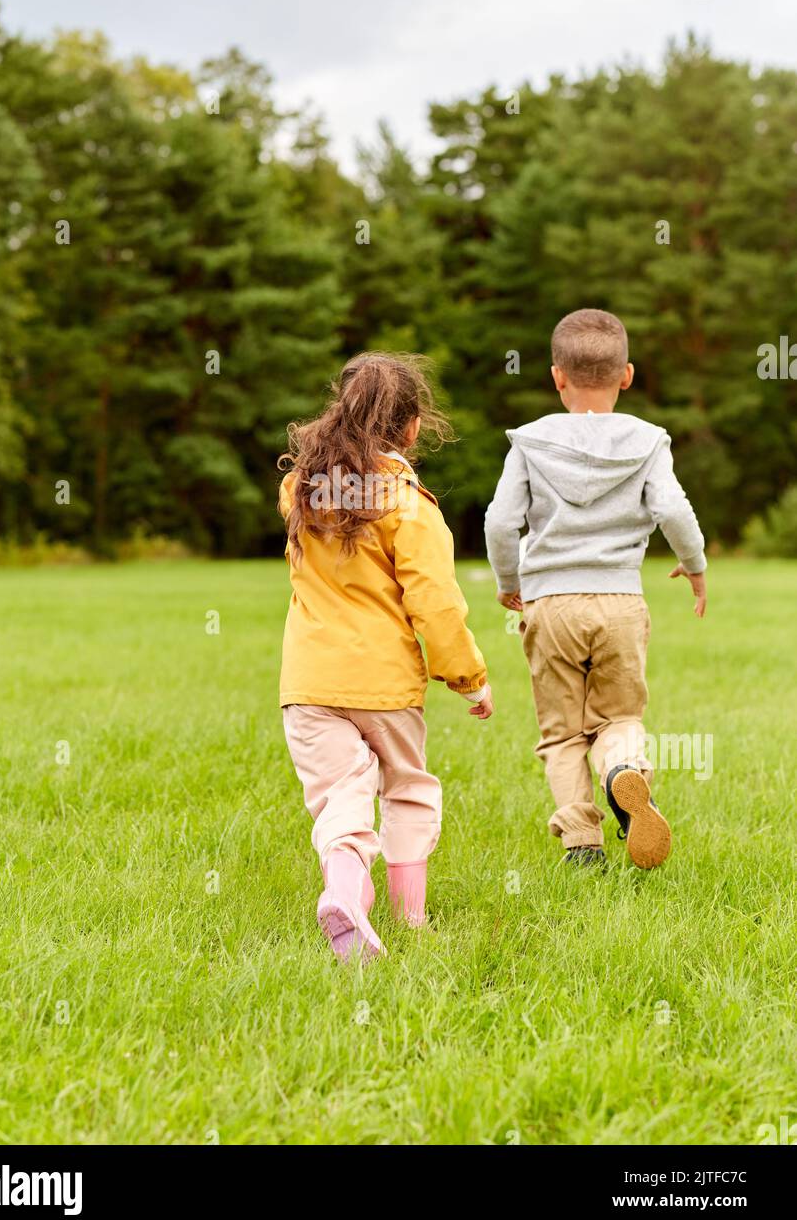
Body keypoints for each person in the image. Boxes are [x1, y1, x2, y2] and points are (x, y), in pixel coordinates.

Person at [279, 352, 492, 959]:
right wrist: (469, 678)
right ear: (414, 426)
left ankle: (345, 889)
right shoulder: (410, 507)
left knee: (343, 797)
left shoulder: (301, 491)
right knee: (407, 789)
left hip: (309, 687)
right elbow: (438, 606)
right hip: (386, 688)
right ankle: (412, 918)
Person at [484, 309, 707, 869]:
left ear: (557, 376)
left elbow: (499, 522)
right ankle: (623, 771)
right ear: (626, 376)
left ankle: (582, 843)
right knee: (620, 718)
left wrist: (510, 582)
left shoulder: (531, 443)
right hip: (621, 602)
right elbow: (673, 509)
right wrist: (694, 563)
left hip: (551, 602)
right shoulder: (647, 442)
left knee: (561, 733)